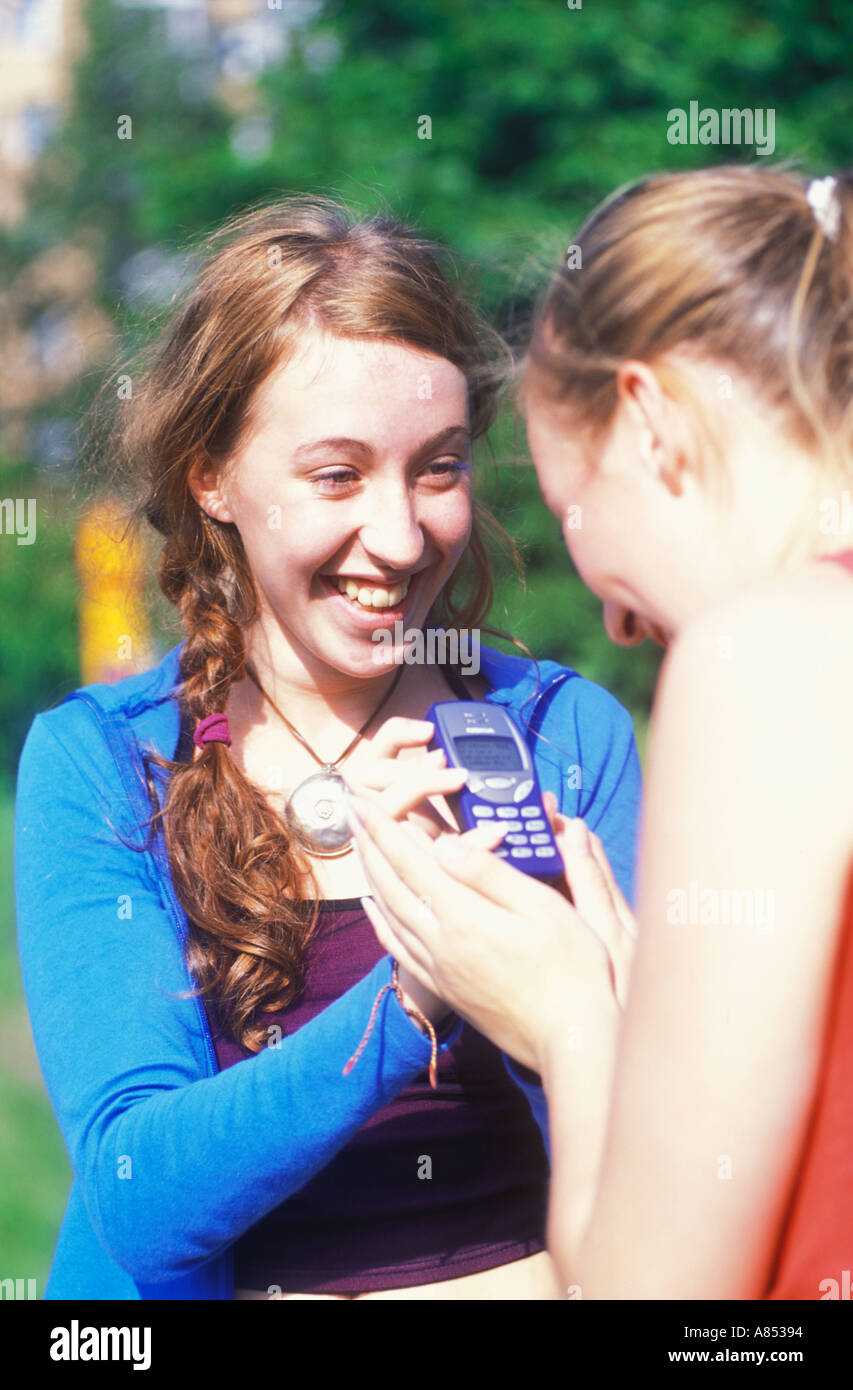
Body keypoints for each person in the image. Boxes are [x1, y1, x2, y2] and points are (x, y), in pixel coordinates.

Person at [14, 195, 642, 1301]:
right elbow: (139, 1200)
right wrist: (417, 986)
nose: (398, 538)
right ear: (211, 476)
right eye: (337, 475)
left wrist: (560, 1005)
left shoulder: (563, 737)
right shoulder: (101, 766)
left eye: (438, 468)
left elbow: (661, 1161)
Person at [346, 165, 853, 1300]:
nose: (617, 620)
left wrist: (568, 1018)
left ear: (651, 419)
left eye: (571, 500)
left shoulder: (772, 656)